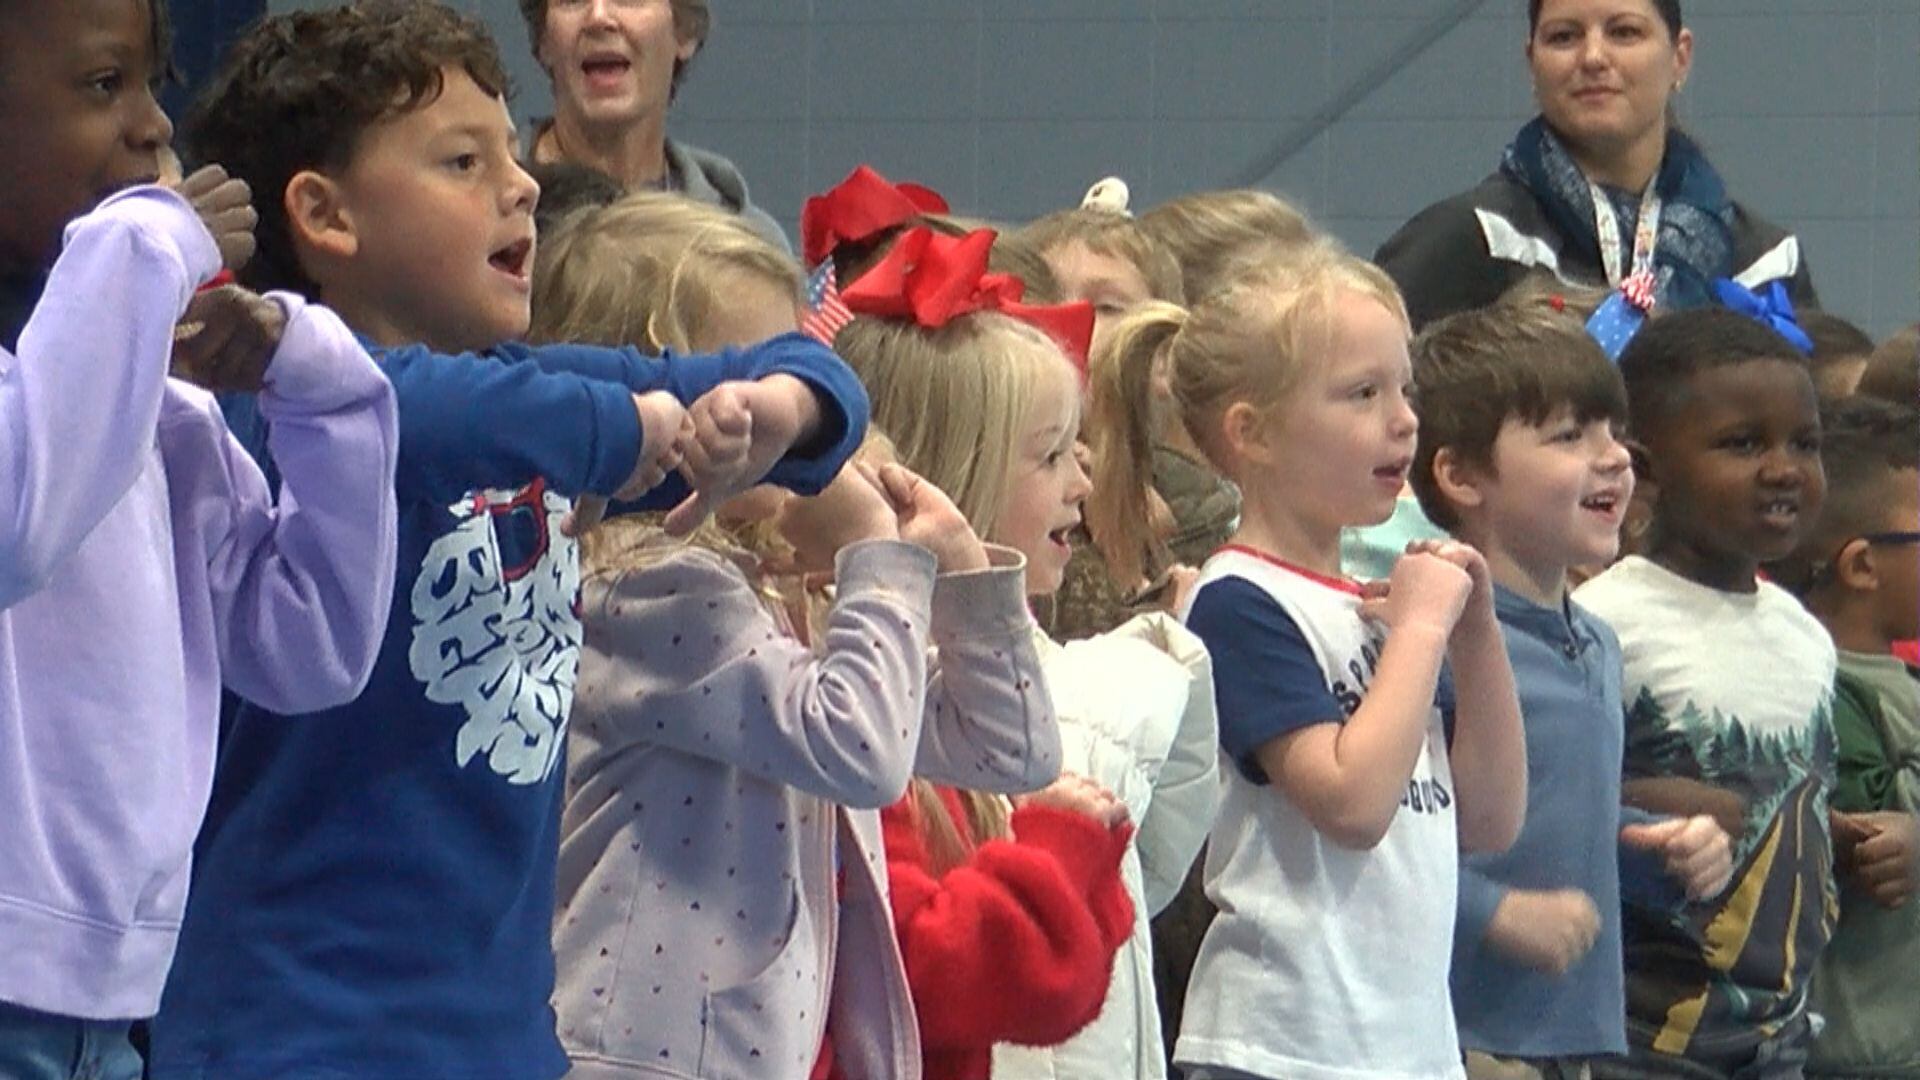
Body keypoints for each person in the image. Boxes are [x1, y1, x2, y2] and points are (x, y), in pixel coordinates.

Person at [147, 5, 870, 1078]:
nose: (522, 184)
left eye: (507, 154)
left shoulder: (524, 393)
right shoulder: (256, 417)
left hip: (500, 1039)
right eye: (461, 161)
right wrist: (627, 426)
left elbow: (827, 385)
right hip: (287, 1034)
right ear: (325, 214)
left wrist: (772, 412)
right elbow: (405, 413)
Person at [530, 193, 1057, 1079]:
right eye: (769, 390)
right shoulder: (645, 588)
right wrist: (869, 549)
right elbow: (862, 750)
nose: (804, 421)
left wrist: (961, 568)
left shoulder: (757, 589)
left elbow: (1012, 748)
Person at [0, 2, 401, 1075]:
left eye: (151, 83)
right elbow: (17, 518)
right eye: (101, 86)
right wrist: (146, 239)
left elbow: (308, 646)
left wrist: (309, 379)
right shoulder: (86, 360)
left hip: (112, 1006)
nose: (149, 127)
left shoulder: (156, 409)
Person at [1169, 247, 1527, 1080]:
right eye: (1364, 394)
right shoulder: (1239, 600)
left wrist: (1476, 639)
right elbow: (1354, 804)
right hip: (1282, 1043)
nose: (1404, 419)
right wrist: (1423, 629)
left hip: (1406, 1045)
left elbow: (1490, 820)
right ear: (1251, 432)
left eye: (1406, 389)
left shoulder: (1375, 611)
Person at [832, 227, 1176, 1080]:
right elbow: (941, 971)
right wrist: (1061, 845)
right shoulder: (866, 701)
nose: (1083, 483)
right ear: (955, 476)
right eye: (1051, 454)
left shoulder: (946, 687)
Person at [1409, 300, 1734, 1080]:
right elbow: (1382, 841)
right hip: (1457, 1036)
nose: (1615, 457)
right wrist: (1493, 912)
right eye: (1567, 436)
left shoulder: (1597, 641)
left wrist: (1650, 847)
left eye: (1613, 431)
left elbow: (1550, 810)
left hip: (1570, 1038)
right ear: (1459, 475)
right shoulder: (1435, 640)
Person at [1573, 308, 1839, 1078]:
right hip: (1638, 1036)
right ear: (1645, 468)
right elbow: (1546, 809)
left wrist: (1847, 837)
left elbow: (1799, 795)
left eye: (1805, 442)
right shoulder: (1604, 622)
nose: (1785, 468)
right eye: (1743, 444)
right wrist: (1645, 804)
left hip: (1777, 1039)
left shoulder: (1805, 636)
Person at [1377, 0, 1818, 331]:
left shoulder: (1763, 263)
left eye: (1624, 32)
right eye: (1564, 37)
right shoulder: (1472, 241)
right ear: (1532, 63)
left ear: (1680, 57)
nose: (1592, 57)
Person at [1769, 395, 1920, 1079]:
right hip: (1858, 1050)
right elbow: (1857, 838)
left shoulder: (1899, 682)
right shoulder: (1820, 691)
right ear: (1863, 565)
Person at [518, 0, 789, 250]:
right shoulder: (489, 213)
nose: (598, 17)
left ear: (683, 31)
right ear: (544, 40)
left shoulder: (749, 249)